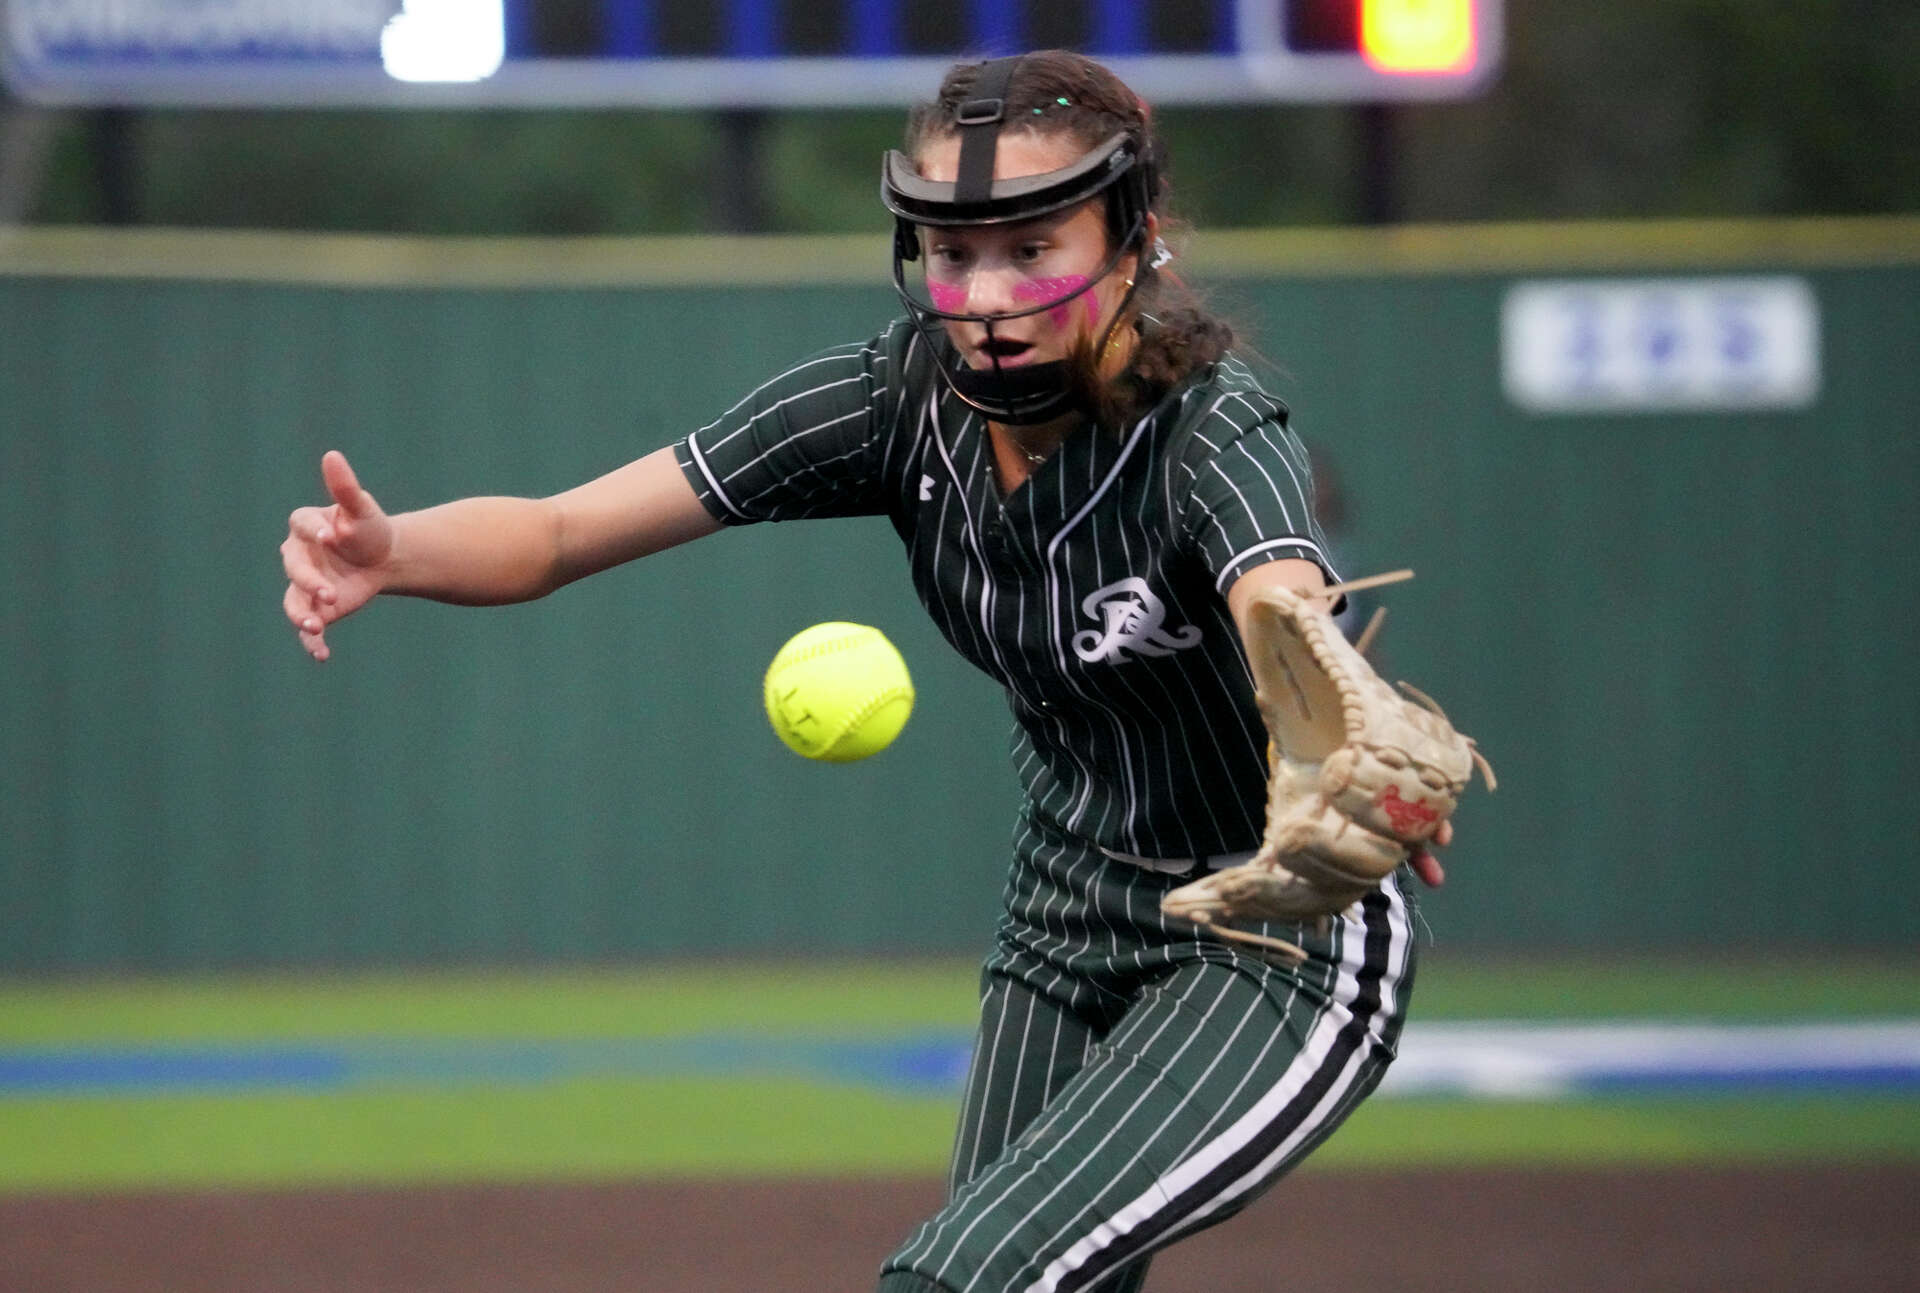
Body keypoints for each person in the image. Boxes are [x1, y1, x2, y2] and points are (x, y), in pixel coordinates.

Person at [280, 49, 1450, 1293]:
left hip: (1275, 931)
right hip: (1067, 909)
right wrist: (393, 550)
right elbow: (564, 531)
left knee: (961, 1277)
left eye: (1033, 248)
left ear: (1135, 240)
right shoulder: (903, 401)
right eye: (954, 253)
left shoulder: (1213, 434)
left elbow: (1282, 608)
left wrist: (1341, 725)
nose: (987, 291)